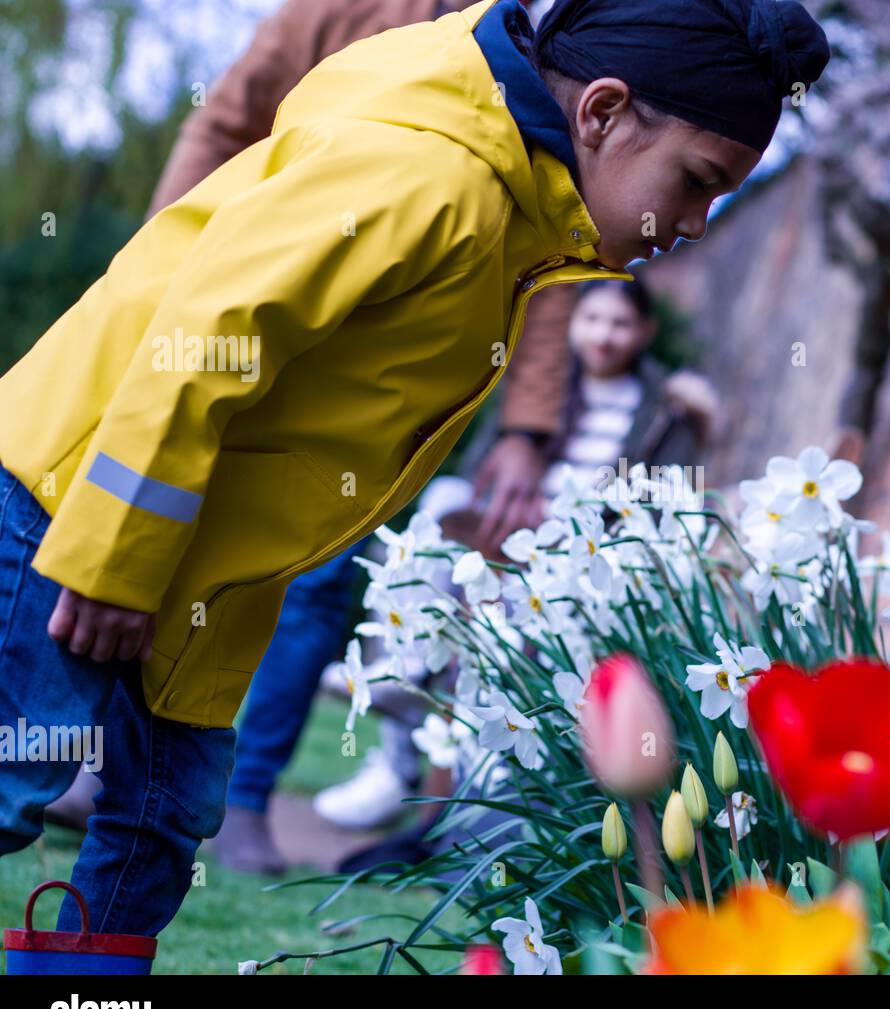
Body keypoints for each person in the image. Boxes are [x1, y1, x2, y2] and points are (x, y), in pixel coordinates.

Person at [0, 0, 829, 943]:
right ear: (601, 111)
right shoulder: (426, 171)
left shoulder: (524, 195)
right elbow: (206, 337)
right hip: (77, 508)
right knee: (13, 783)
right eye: (695, 182)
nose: (694, 224)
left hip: (204, 559)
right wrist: (113, 560)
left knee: (161, 823)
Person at [32, 0, 581, 876]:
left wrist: (527, 427)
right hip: (254, 319)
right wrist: (160, 275)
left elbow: (551, 259)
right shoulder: (331, 16)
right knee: (149, 543)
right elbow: (221, 126)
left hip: (366, 389)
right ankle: (90, 757)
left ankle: (239, 796)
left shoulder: (535, 55)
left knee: (312, 582)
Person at [316, 275, 718, 846]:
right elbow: (480, 476)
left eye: (620, 323)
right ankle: (399, 688)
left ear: (646, 332)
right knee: (444, 502)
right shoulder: (536, 392)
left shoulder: (667, 414)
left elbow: (659, 511)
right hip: (499, 542)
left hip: (580, 564)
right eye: (593, 319)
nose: (604, 335)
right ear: (573, 325)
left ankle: (435, 766)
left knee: (488, 624)